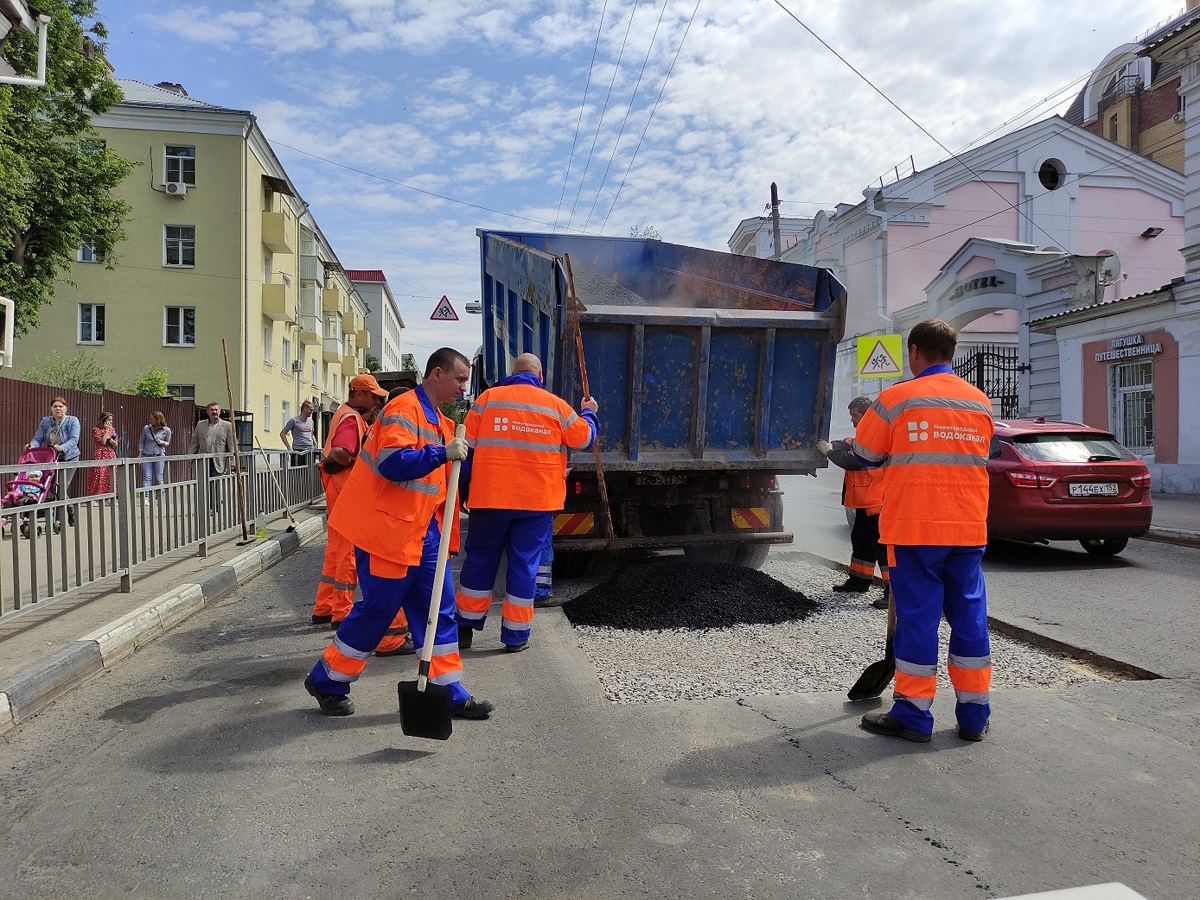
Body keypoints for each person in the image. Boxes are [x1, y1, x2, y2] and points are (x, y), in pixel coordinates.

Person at [304, 348, 493, 719]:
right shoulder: (405, 409)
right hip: (387, 535)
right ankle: (327, 679)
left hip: (421, 536)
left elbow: (438, 487)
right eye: (459, 379)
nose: (463, 387)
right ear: (436, 374)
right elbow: (392, 464)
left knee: (438, 610)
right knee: (378, 610)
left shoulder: (436, 419)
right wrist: (442, 453)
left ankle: (448, 689)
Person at [851, 320, 995, 744]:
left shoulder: (895, 399)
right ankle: (974, 714)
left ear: (914, 351)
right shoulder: (980, 402)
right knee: (970, 617)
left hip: (914, 529)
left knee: (918, 618)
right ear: (951, 352)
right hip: (968, 528)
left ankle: (913, 715)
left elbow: (865, 454)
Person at [455, 352, 598, 652]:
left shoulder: (486, 401)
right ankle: (516, 637)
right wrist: (589, 413)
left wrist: (461, 493)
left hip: (489, 500)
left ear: (512, 372)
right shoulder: (555, 405)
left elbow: (464, 454)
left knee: (479, 562)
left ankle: (465, 629)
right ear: (540, 376)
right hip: (535, 504)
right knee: (524, 566)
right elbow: (584, 439)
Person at [310, 374, 414, 660]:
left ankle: (324, 607)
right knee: (347, 554)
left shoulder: (345, 415)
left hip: (338, 491)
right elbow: (343, 451)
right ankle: (341, 612)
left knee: (335, 553)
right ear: (359, 394)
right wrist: (351, 464)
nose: (378, 400)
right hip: (348, 494)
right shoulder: (350, 418)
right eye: (374, 396)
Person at [817, 396, 889, 610]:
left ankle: (893, 593)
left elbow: (853, 461)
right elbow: (848, 444)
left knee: (884, 550)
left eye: (854, 416)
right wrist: (830, 443)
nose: (852, 421)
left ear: (866, 415)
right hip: (865, 502)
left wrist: (829, 451)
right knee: (861, 543)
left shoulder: (876, 438)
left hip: (876, 502)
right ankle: (859, 581)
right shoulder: (865, 436)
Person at [27, 397, 81, 527]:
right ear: (51, 408)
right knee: (50, 486)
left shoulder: (72, 421)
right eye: (55, 406)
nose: (58, 409)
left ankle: (58, 519)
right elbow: (38, 438)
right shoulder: (46, 421)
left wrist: (62, 447)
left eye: (61, 406)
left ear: (66, 408)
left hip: (69, 457)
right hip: (51, 457)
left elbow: (74, 439)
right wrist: (31, 446)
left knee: (61, 486)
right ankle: (71, 510)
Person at [189, 402, 235, 512]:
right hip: (203, 459)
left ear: (219, 411)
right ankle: (206, 506)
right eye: (212, 410)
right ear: (207, 412)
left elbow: (232, 445)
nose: (214, 412)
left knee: (214, 483)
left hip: (218, 460)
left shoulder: (227, 426)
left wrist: (233, 463)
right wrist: (190, 458)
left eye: (216, 410)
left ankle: (215, 506)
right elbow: (194, 442)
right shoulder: (200, 425)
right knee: (203, 483)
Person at [85, 412, 119, 500]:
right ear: (103, 420)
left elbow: (115, 444)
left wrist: (109, 438)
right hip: (100, 453)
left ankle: (110, 496)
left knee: (110, 474)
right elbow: (102, 442)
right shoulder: (96, 429)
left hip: (110, 453)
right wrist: (106, 432)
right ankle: (96, 496)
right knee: (99, 474)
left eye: (111, 420)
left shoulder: (113, 430)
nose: (110, 422)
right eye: (108, 420)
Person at [139, 411, 172, 492]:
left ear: (158, 419)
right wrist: (140, 454)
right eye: (150, 418)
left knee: (159, 477)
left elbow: (168, 442)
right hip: (147, 455)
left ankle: (160, 495)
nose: (150, 420)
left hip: (159, 455)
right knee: (147, 477)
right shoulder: (147, 429)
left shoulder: (166, 430)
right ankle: (146, 497)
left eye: (152, 419)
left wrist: (162, 442)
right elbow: (141, 441)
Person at [279, 400, 316, 466]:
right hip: (298, 451)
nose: (312, 412)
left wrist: (315, 443)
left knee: (309, 472)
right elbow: (282, 433)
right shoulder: (294, 421)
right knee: (298, 473)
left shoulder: (311, 421)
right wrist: (289, 448)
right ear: (305, 408)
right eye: (311, 410)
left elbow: (311, 434)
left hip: (310, 450)